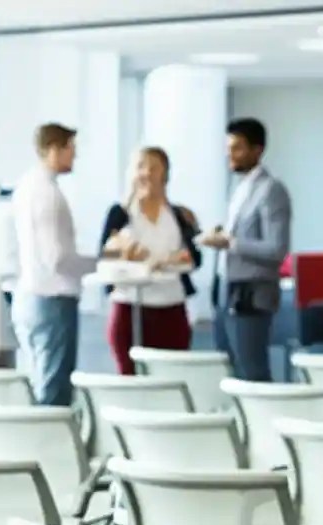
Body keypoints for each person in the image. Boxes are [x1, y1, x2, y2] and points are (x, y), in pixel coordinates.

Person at [11, 123, 96, 406]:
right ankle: (49, 450)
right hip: (53, 300)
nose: (75, 156)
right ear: (53, 149)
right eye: (71, 148)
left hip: (28, 296)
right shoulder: (48, 194)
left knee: (39, 381)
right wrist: (100, 263)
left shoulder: (26, 186)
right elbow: (57, 260)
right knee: (54, 390)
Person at [99, 147, 204, 375]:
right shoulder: (119, 213)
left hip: (171, 308)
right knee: (130, 377)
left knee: (173, 376)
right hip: (129, 307)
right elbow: (104, 259)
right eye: (140, 166)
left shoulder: (180, 215)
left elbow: (195, 258)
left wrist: (168, 260)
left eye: (153, 167)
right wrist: (123, 253)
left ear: (165, 174)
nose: (146, 172)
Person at [202, 118, 292, 382]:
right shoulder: (239, 188)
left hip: (252, 293)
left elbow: (277, 248)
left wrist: (231, 242)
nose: (230, 154)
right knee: (230, 369)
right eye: (228, 148)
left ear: (257, 150)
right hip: (226, 290)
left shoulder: (271, 190)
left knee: (252, 370)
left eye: (237, 148)